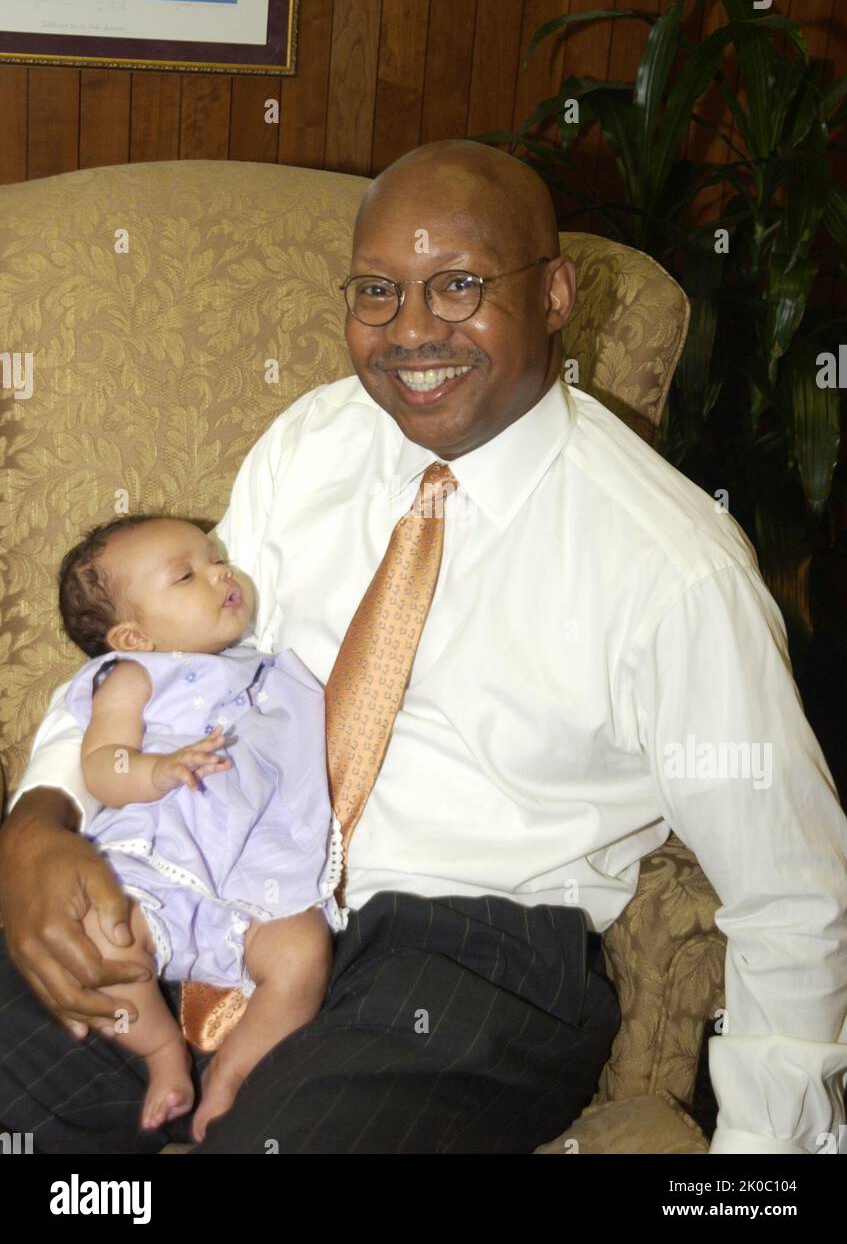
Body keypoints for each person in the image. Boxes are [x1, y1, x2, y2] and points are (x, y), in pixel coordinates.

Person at [1, 139, 845, 1156]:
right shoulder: (313, 443)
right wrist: (39, 826)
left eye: (457, 286)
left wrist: (762, 1167)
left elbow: (793, 890)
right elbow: (169, 669)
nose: (409, 332)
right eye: (376, 291)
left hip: (473, 955)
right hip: (218, 888)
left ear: (557, 294)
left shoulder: (673, 569)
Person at [47, 513, 340, 1144]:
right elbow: (102, 765)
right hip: (160, 851)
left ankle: (234, 1074)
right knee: (105, 939)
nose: (220, 574)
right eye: (187, 575)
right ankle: (160, 1054)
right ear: (134, 636)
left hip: (256, 866)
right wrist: (156, 770)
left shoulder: (268, 668)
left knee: (303, 954)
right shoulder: (135, 676)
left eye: (216, 558)